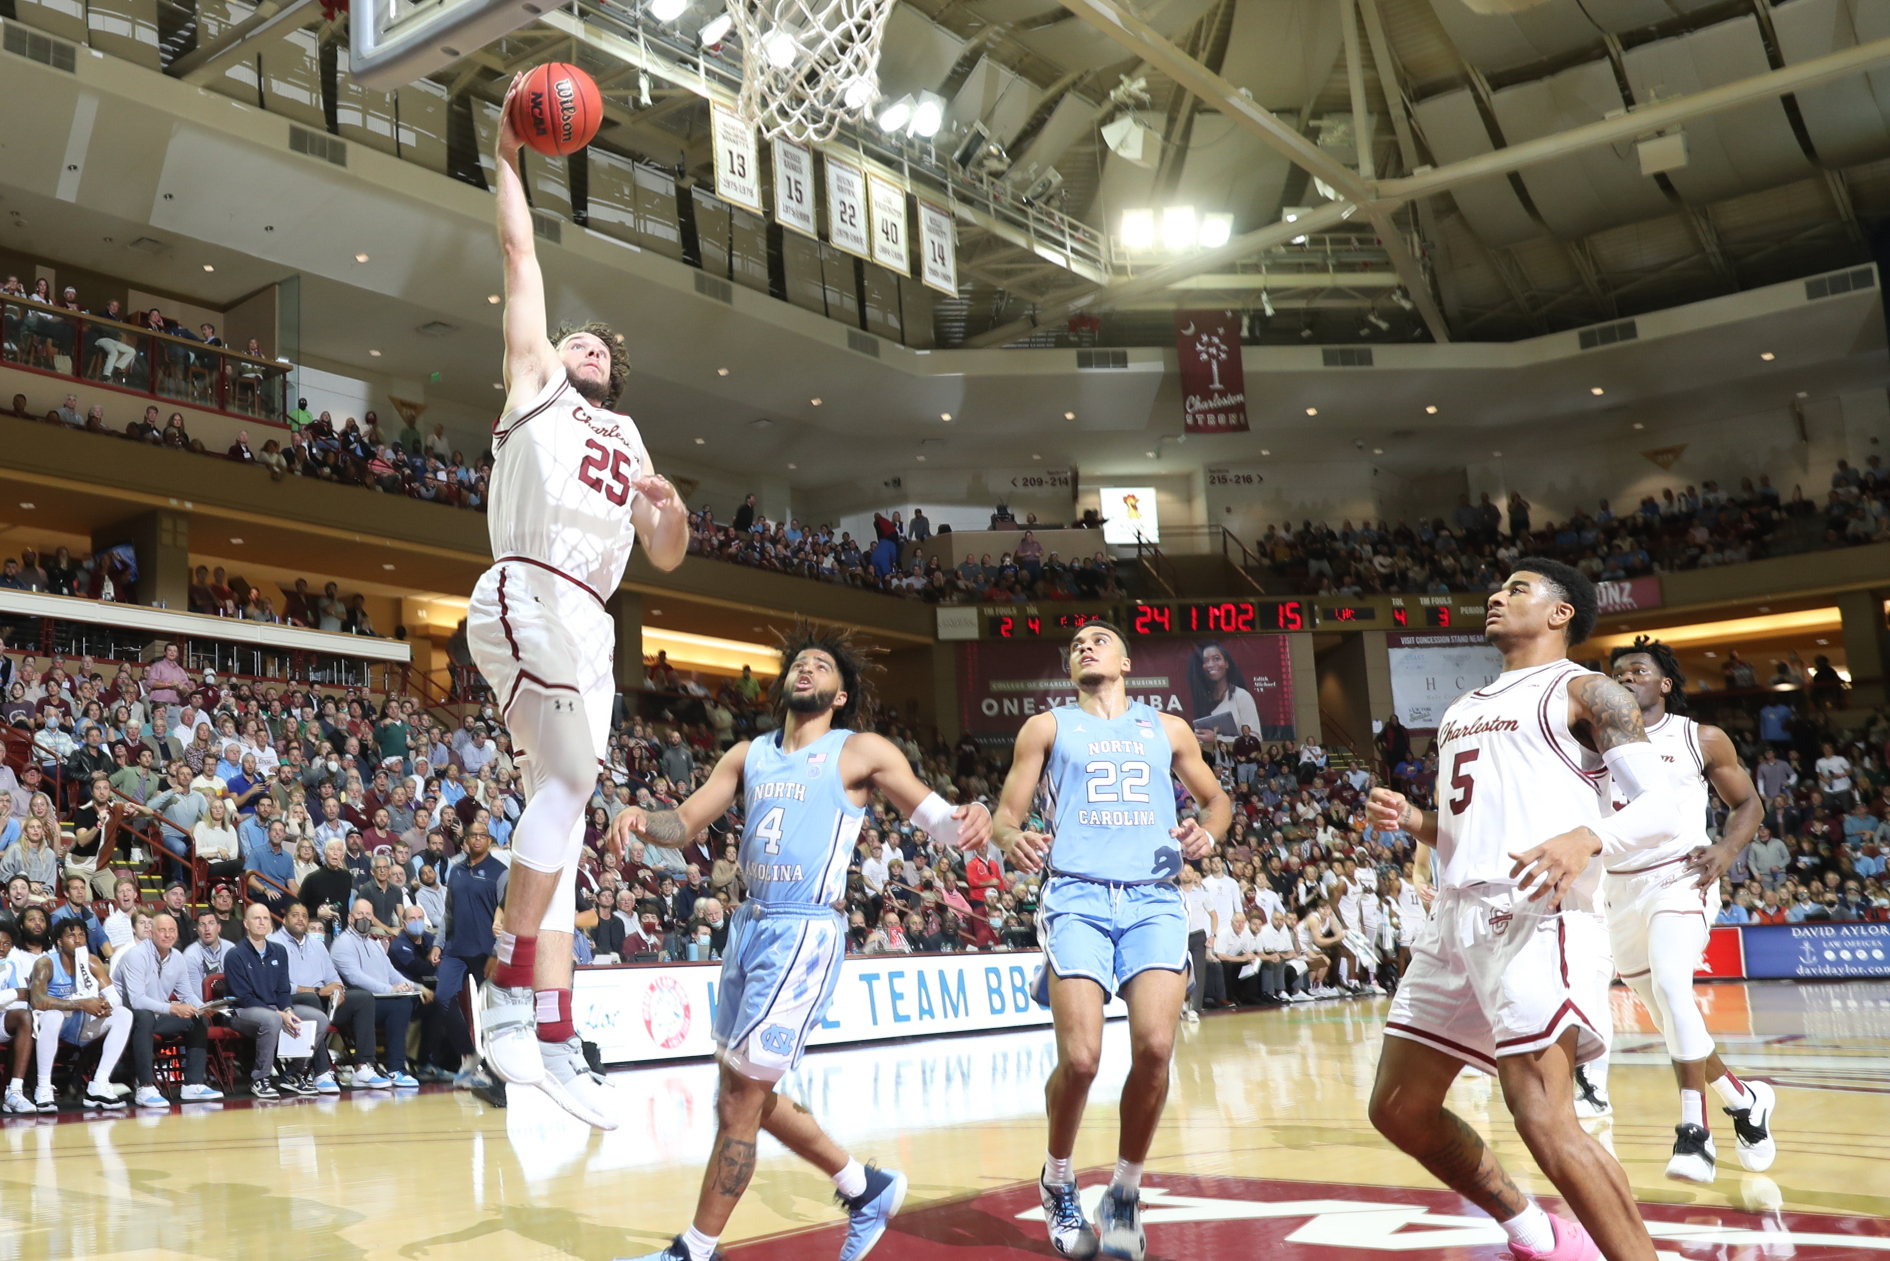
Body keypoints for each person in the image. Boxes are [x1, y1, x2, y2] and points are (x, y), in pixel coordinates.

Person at [611, 625, 989, 1261]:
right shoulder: (747, 753)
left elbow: (938, 822)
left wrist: (968, 817)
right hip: (749, 926)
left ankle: (693, 1250)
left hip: (802, 931)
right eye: (801, 663)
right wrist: (639, 818)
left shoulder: (859, 750)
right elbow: (686, 823)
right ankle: (864, 1186)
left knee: (738, 1099)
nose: (808, 668)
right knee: (741, 1089)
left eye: (822, 666)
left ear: (841, 695)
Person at [469, 70, 688, 1130]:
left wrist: (671, 506)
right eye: (575, 335)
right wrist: (504, 159)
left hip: (592, 622)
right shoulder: (534, 383)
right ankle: (506, 995)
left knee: (560, 813)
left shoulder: (633, 439)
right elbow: (520, 260)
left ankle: (554, 1035)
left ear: (618, 375)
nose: (585, 341)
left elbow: (670, 555)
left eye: (602, 344)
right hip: (528, 588)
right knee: (561, 782)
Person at [1365, 559, 1678, 1261]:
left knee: (1543, 1116)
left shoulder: (1588, 691)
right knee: (1397, 1107)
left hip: (1538, 913)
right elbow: (1464, 833)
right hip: (1456, 919)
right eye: (1497, 588)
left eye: (1517, 588)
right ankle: (1535, 1231)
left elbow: (1667, 808)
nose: (1496, 596)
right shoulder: (1461, 708)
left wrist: (1587, 833)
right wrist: (1416, 820)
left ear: (1561, 613)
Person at [990, 621, 1230, 1260]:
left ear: (1126, 660)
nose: (1085, 647)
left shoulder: (1167, 727)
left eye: (1099, 640)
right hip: (1076, 897)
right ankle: (1058, 1178)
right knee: (1083, 1060)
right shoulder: (1046, 727)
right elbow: (1004, 817)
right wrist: (1014, 840)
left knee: (1154, 1047)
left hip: (1153, 899)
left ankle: (1124, 1190)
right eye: (1076, 645)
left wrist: (1210, 832)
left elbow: (1217, 800)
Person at [1588, 638, 1775, 1182]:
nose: (1624, 678)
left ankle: (1694, 1134)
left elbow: (1749, 802)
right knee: (1673, 1019)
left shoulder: (1699, 738)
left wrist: (1726, 849)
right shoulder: (1588, 742)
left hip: (1680, 878)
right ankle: (1744, 1099)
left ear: (1664, 684)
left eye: (1637, 670)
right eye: (1616, 672)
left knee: (1674, 989)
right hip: (1617, 891)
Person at [116, 910, 224, 1107]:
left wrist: (203, 1007)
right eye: (162, 930)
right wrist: (173, 1009)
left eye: (172, 930)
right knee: (145, 1016)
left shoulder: (177, 957)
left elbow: (187, 994)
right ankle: (145, 1087)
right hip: (125, 1017)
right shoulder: (135, 956)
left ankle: (193, 1084)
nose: (168, 935)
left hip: (158, 1014)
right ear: (151, 932)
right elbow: (137, 1001)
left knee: (198, 1018)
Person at [225, 901, 327, 1100]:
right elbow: (243, 997)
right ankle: (260, 1078)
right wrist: (279, 1014)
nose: (262, 922)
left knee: (319, 1019)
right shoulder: (235, 954)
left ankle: (293, 1073)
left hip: (274, 1008)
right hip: (243, 1010)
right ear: (246, 923)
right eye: (257, 918)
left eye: (265, 918)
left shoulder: (279, 951)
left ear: (271, 924)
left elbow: (283, 990)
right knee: (271, 1020)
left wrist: (287, 1009)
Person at [30, 917, 133, 1110]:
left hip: (83, 1024)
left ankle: (98, 1085)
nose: (77, 940)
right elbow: (37, 1001)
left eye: (81, 935)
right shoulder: (46, 964)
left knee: (123, 1014)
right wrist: (80, 1003)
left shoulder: (92, 962)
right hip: (55, 1025)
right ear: (59, 942)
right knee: (53, 1016)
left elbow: (114, 997)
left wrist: (105, 1005)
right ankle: (43, 1087)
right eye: (71, 936)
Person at [329, 896, 421, 1087]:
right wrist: (390, 989)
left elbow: (391, 973)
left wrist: (416, 988)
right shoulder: (342, 944)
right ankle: (395, 1068)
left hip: (378, 1000)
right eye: (360, 914)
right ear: (350, 917)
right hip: (353, 1004)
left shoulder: (374, 944)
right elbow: (355, 977)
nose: (365, 918)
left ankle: (426, 1062)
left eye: (368, 914)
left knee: (421, 1003)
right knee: (400, 1005)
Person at [1187, 641, 1263, 747]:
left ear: (1226, 663)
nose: (1211, 664)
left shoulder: (1241, 696)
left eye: (1216, 659)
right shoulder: (1202, 699)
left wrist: (1216, 738)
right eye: (1205, 661)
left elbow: (1256, 739)